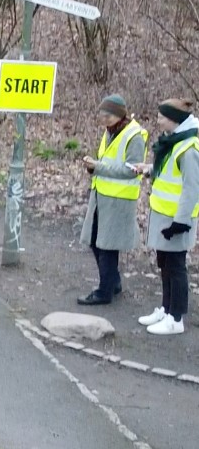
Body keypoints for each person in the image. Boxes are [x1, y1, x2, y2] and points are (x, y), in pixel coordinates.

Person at [135, 99, 199, 335]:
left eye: (162, 116)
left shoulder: (189, 148)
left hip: (176, 221)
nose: (158, 120)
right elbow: (170, 172)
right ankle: (166, 308)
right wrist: (149, 169)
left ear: (174, 120)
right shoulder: (174, 142)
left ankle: (176, 318)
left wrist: (180, 223)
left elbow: (192, 188)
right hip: (163, 215)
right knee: (164, 263)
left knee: (176, 266)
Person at [77, 95, 147, 306]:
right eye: (102, 116)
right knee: (96, 241)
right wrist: (94, 167)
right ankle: (113, 282)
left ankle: (104, 291)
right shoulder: (111, 131)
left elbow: (132, 170)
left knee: (107, 246)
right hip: (102, 195)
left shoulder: (134, 135)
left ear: (119, 114)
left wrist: (98, 166)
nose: (104, 120)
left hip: (119, 198)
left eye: (108, 115)